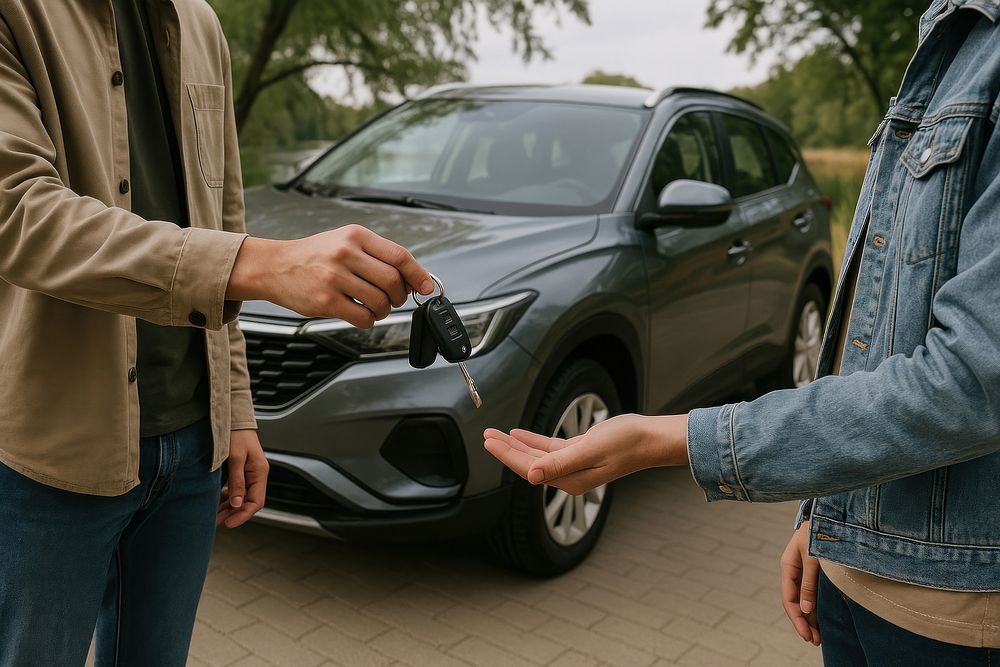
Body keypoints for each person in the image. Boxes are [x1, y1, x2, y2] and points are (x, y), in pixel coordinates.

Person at [486, 1, 1000, 662]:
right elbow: (874, 336)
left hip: (945, 610)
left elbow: (973, 380)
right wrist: (822, 515)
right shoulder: (948, 42)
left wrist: (664, 437)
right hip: (847, 569)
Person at [0, 1, 432, 664]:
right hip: (51, 456)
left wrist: (237, 413)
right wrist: (266, 263)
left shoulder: (199, 21)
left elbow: (224, 212)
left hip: (193, 451)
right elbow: (20, 214)